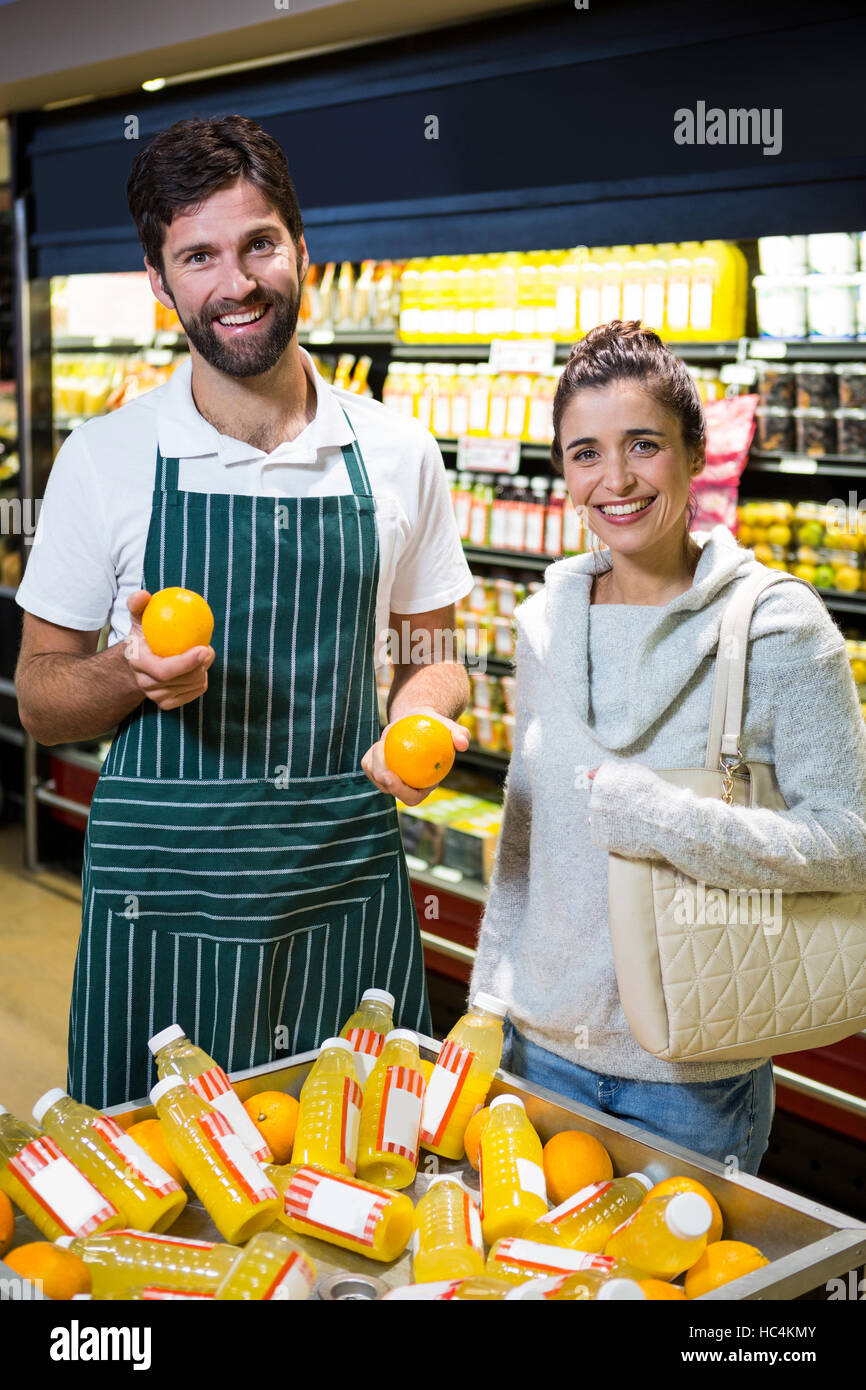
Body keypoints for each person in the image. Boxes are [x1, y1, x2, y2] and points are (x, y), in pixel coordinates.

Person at [15, 115, 472, 1108]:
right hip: (161, 903)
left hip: (342, 881)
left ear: (302, 249)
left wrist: (418, 718)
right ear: (158, 279)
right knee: (152, 1210)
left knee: (363, 1180)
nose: (236, 281)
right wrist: (126, 673)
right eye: (199, 256)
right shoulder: (106, 459)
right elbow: (41, 697)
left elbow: (433, 649)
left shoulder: (397, 452)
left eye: (259, 243)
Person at [470, 319, 866, 1175]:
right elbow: (525, 837)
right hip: (532, 1053)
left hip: (689, 1077)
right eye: (585, 453)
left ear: (694, 452)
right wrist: (485, 999)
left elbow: (850, 844)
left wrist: (659, 818)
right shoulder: (543, 622)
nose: (615, 480)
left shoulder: (778, 625)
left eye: (642, 444)